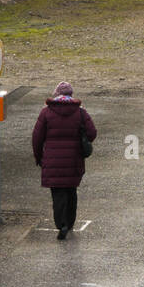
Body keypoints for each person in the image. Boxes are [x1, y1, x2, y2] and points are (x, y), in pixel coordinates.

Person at [32, 81, 97, 240]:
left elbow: (37, 138)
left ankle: (61, 224)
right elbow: (92, 133)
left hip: (52, 161)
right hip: (74, 160)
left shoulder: (46, 112)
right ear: (71, 95)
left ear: (56, 94)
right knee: (71, 191)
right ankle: (70, 222)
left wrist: (38, 156)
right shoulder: (80, 112)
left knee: (57, 193)